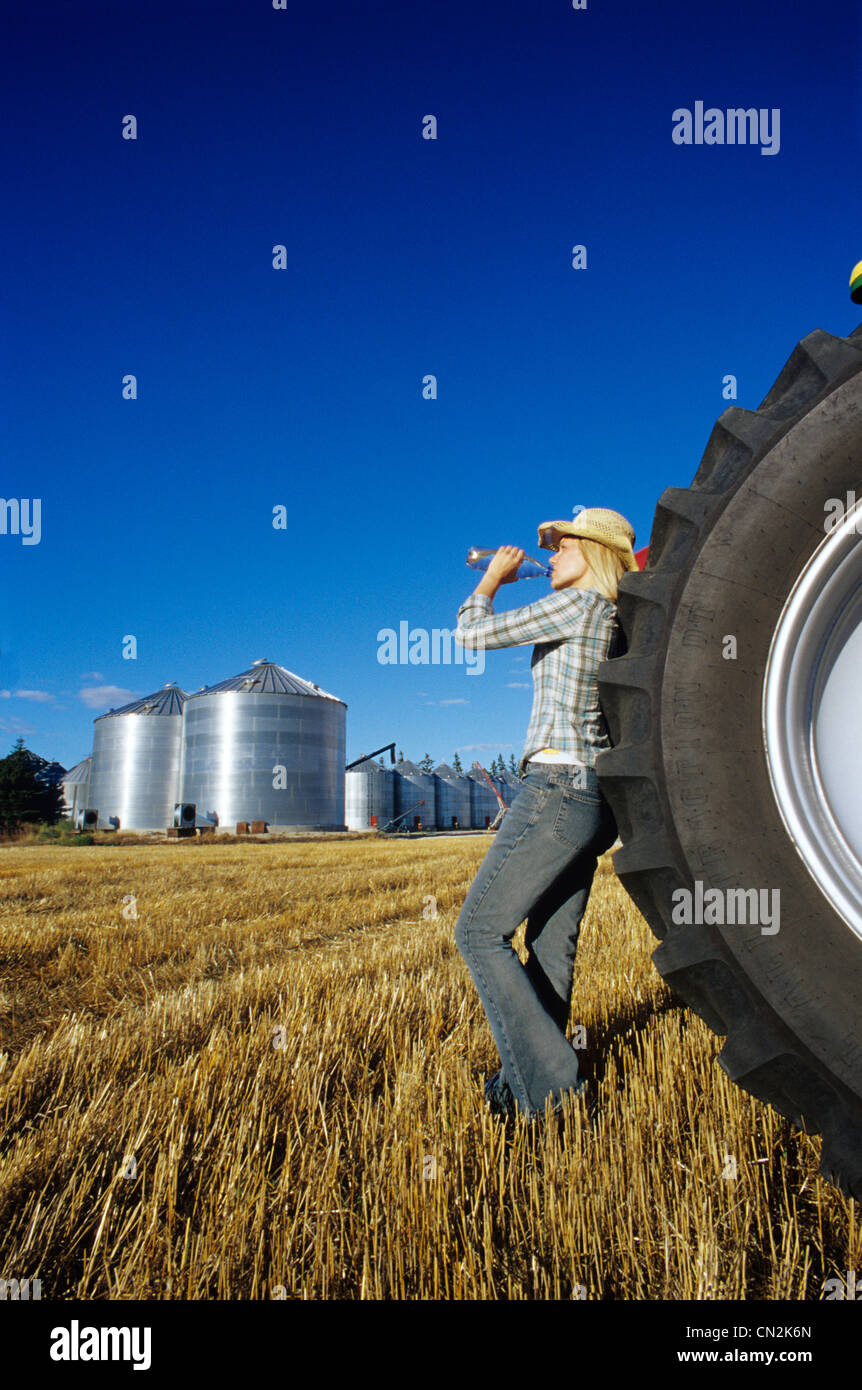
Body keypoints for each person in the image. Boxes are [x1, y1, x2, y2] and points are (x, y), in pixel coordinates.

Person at [453, 506, 639, 1123]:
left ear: (594, 553)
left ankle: (552, 1089)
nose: (551, 554)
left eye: (562, 545)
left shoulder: (580, 606)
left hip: (557, 788)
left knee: (478, 932)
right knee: (551, 947)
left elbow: (472, 636)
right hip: (592, 801)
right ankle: (523, 1089)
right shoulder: (608, 617)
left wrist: (491, 582)